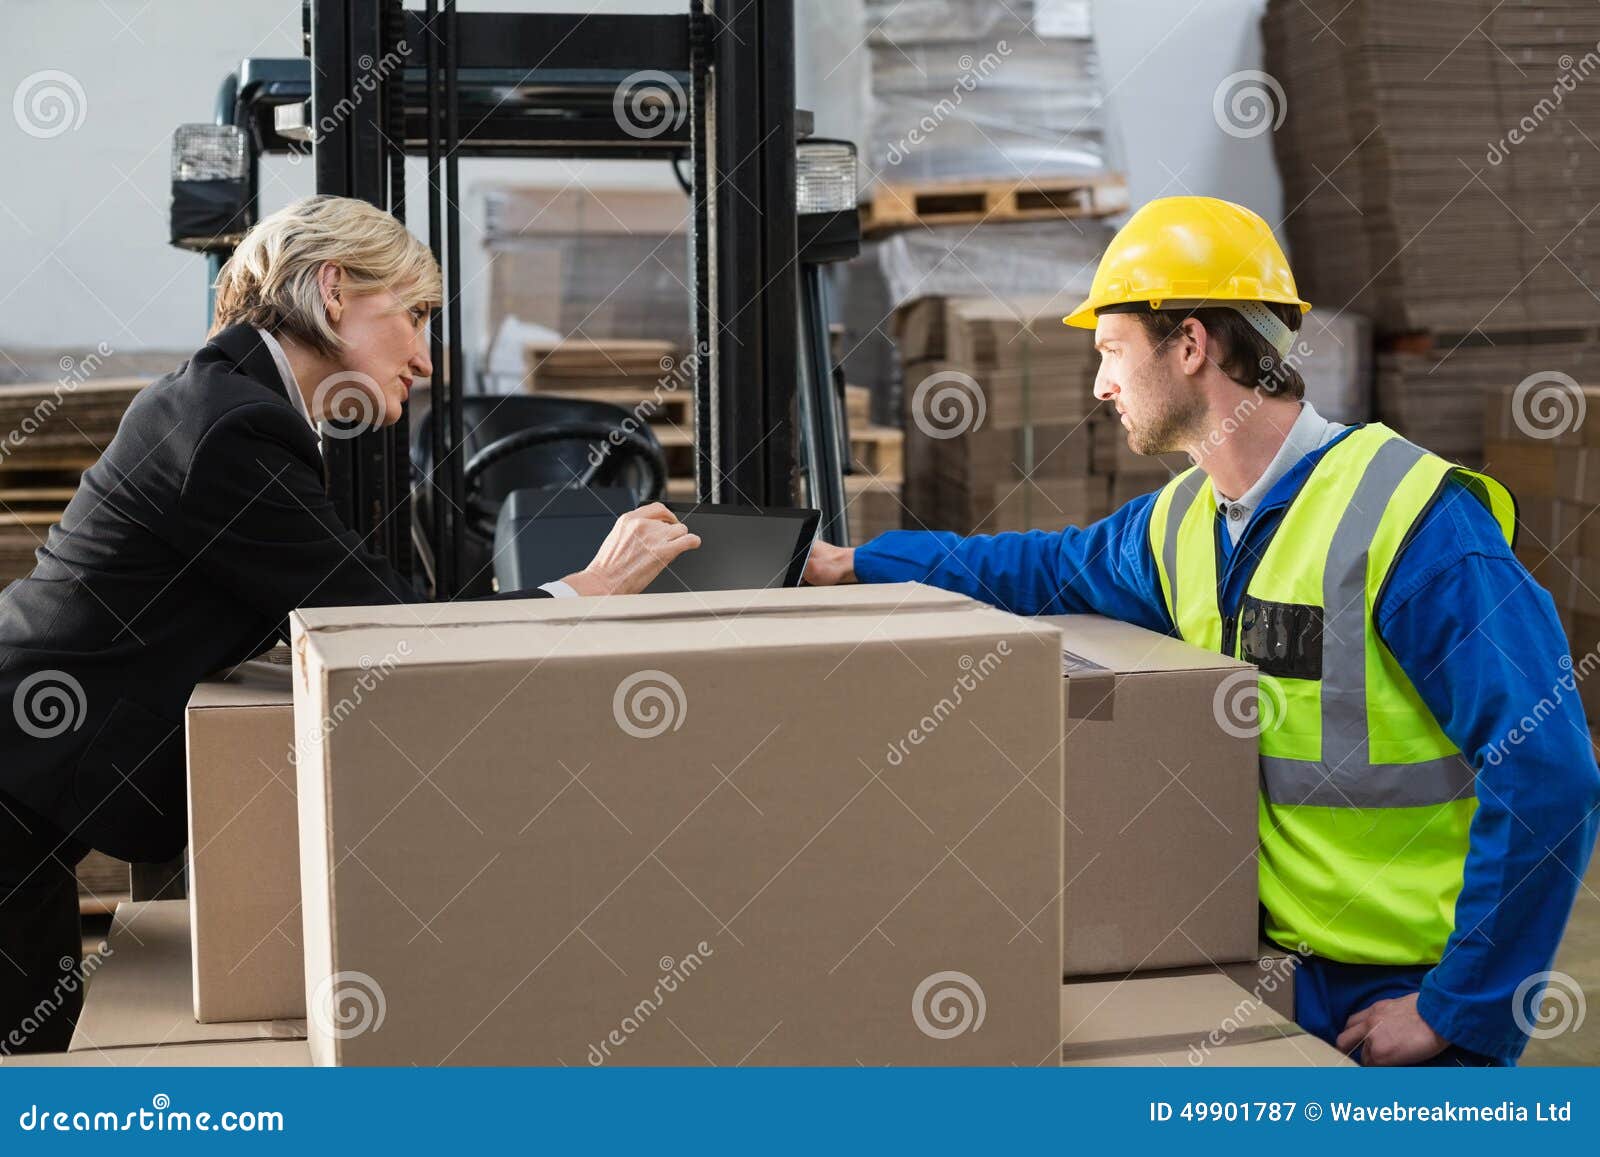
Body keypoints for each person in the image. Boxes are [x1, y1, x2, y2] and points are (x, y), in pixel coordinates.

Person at [806, 195, 1600, 1066]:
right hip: (1279, 970)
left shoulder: (1414, 523)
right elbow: (1032, 568)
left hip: (1412, 992)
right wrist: (862, 565)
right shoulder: (1184, 523)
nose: (1102, 383)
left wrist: (1459, 1008)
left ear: (1190, 344)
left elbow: (1548, 768)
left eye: (1112, 351)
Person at [0, 194, 699, 1053]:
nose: (427, 359)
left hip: (30, 794)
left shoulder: (233, 403)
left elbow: (354, 601)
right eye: (413, 315)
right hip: (15, 787)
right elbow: (381, 628)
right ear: (333, 290)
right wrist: (584, 592)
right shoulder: (232, 429)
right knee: (26, 1066)